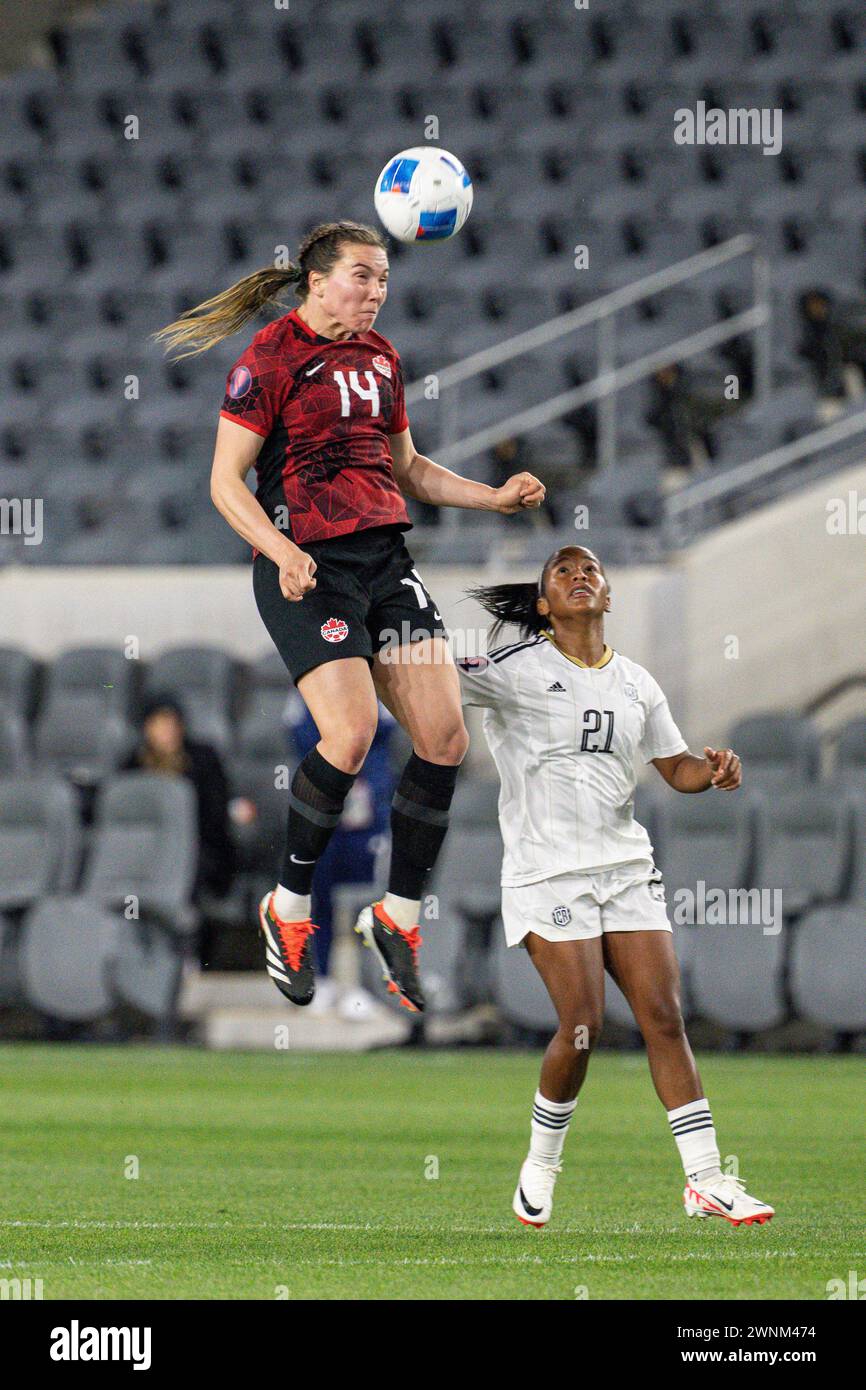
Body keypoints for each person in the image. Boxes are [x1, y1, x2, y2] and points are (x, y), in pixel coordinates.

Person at [154, 220, 545, 1013]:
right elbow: (225, 482)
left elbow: (409, 470)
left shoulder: (382, 358)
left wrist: (492, 496)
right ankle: (287, 906)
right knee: (353, 733)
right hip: (306, 568)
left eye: (384, 281)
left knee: (443, 738)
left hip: (384, 565)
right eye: (363, 277)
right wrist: (280, 548)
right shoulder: (269, 358)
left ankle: (397, 917)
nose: (375, 293)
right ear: (318, 280)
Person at [458, 546, 774, 1229]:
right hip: (547, 873)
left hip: (626, 868)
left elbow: (675, 769)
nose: (580, 576)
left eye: (591, 571)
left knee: (664, 1016)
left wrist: (713, 769)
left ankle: (707, 1180)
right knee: (582, 1027)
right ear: (542, 604)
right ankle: (540, 1165)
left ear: (608, 596)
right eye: (563, 572)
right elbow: (424, 683)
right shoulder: (511, 672)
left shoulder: (636, 683)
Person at [122, 692, 235, 906]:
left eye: (172, 725)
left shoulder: (203, 758)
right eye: (160, 725)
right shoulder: (133, 763)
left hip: (196, 845)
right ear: (147, 728)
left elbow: (215, 815)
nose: (167, 732)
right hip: (148, 848)